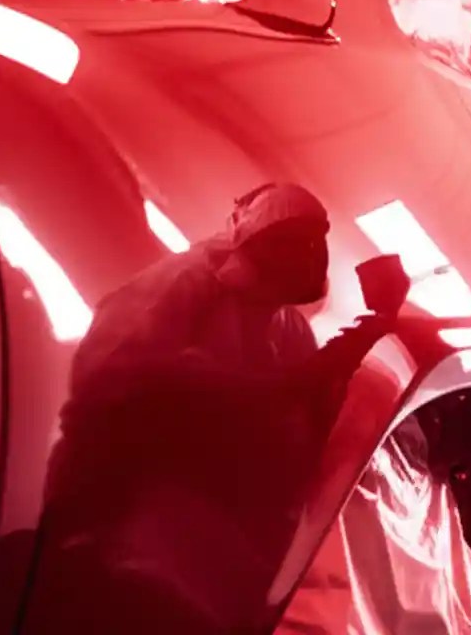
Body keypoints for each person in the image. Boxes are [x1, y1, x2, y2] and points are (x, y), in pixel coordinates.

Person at [32, 183, 384, 633]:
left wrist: (333, 377)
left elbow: (300, 429)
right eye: (281, 249)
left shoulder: (288, 328)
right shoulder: (184, 286)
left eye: (305, 249)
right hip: (121, 517)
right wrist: (254, 390)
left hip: (214, 547)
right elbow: (106, 381)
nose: (294, 262)